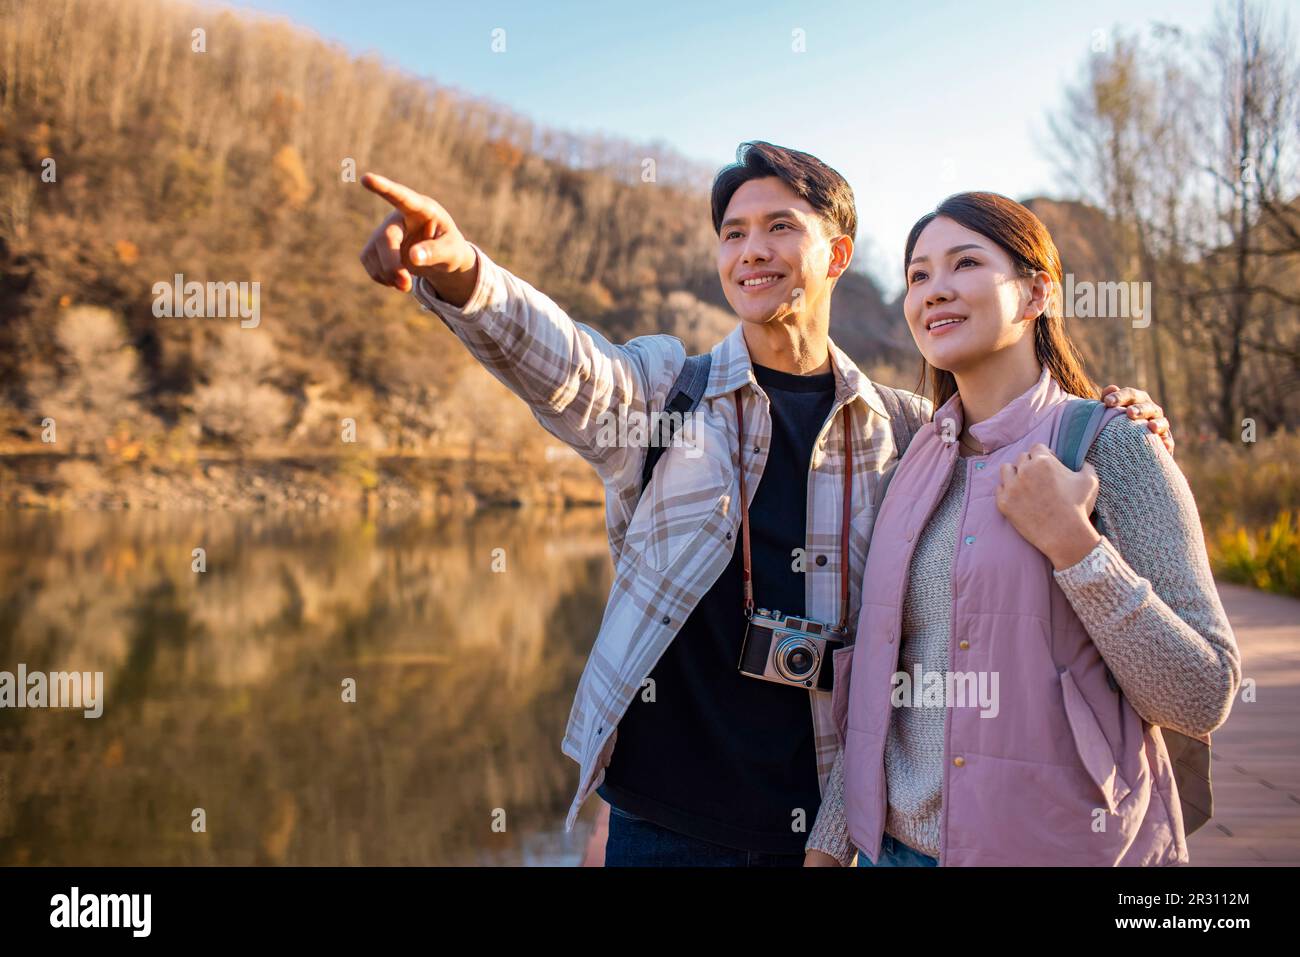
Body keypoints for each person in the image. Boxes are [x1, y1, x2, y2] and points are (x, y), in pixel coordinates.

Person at [358, 146, 1171, 867]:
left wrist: (1110, 422)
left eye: (779, 227)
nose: (752, 251)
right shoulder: (665, 392)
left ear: (836, 253)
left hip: (821, 822)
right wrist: (463, 271)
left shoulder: (907, 432)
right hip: (659, 820)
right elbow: (568, 366)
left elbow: (1008, 429)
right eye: (734, 233)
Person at [803, 193, 1239, 867]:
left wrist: (1075, 546)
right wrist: (832, 842)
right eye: (918, 275)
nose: (935, 289)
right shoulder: (913, 464)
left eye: (965, 263)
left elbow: (1202, 692)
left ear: (1036, 293)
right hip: (901, 852)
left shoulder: (1114, 446)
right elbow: (887, 685)